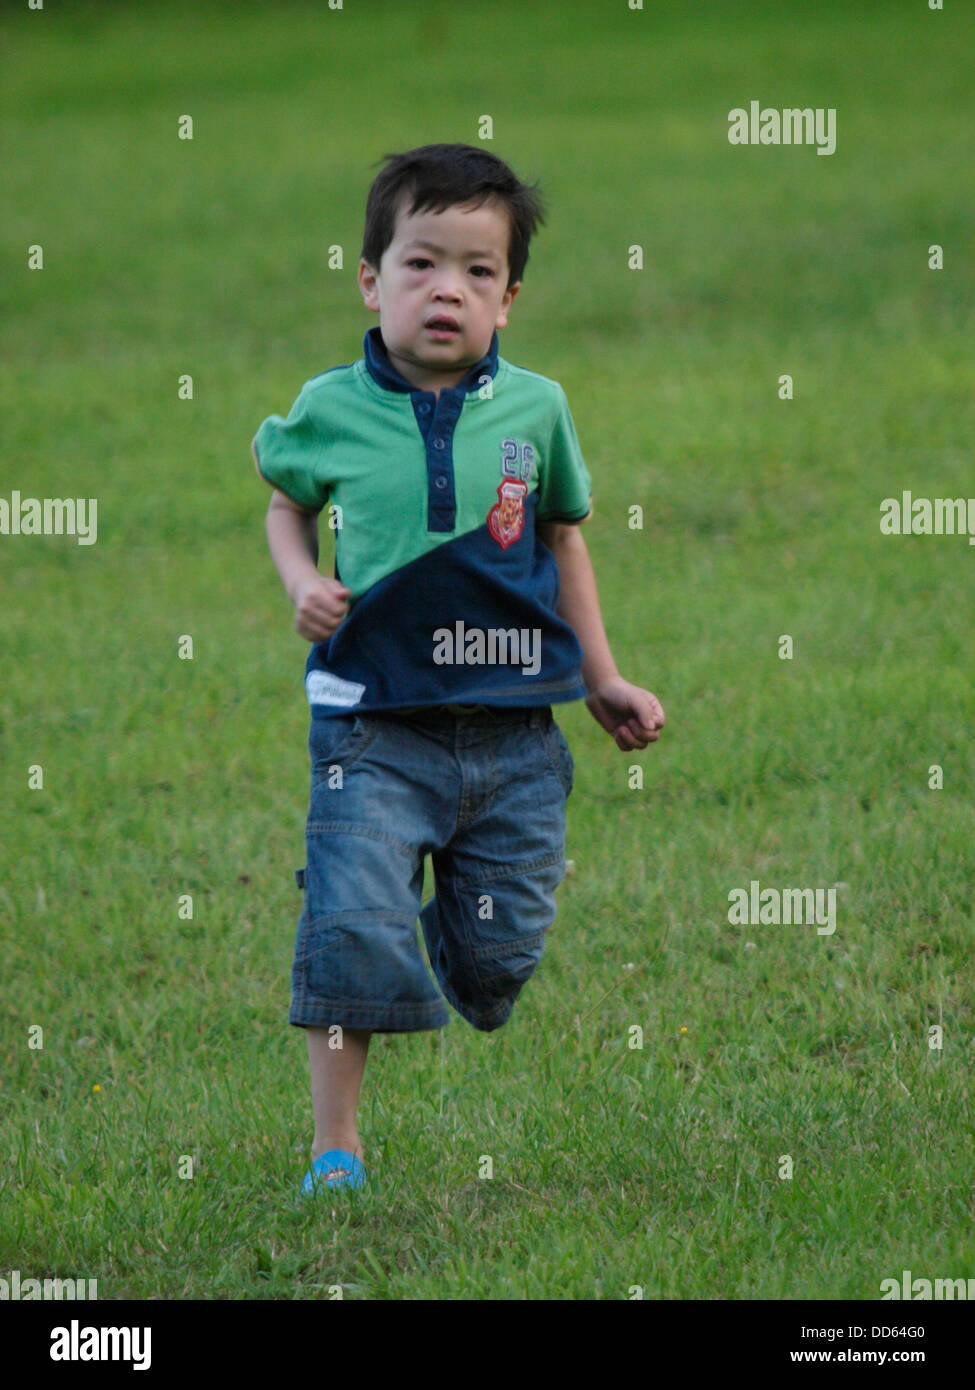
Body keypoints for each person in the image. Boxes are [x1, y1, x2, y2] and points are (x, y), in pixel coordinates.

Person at [251, 143, 665, 1194]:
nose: (448, 288)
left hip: (516, 733)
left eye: (478, 271)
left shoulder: (538, 411)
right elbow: (286, 500)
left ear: (510, 298)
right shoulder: (331, 405)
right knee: (347, 923)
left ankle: (430, 919)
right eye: (421, 262)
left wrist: (604, 676)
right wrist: (299, 576)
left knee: (495, 966)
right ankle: (335, 1153)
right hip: (370, 728)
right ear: (370, 279)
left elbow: (565, 538)